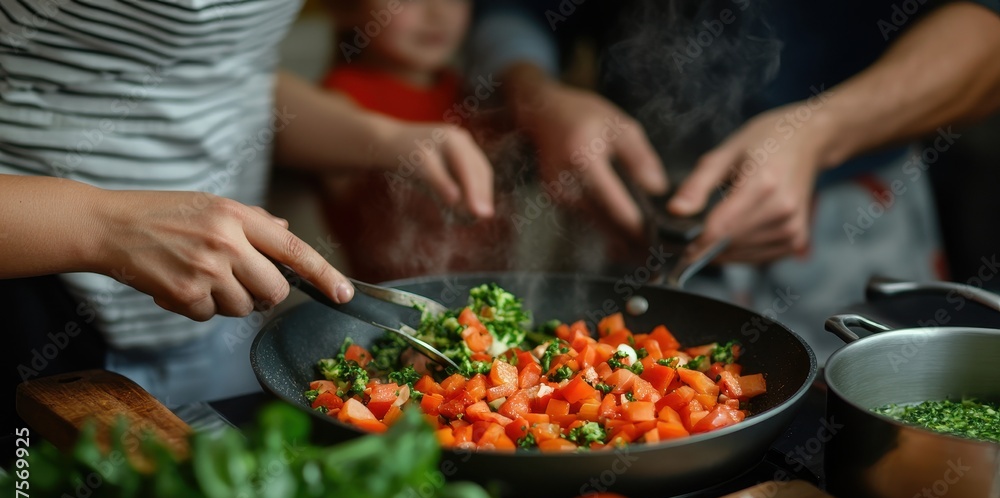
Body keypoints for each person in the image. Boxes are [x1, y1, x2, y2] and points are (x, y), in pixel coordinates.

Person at [0, 0, 495, 431]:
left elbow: (227, 73)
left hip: (222, 327)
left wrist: (385, 138)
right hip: (37, 312)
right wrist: (105, 228)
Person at [471, 0, 1000, 360]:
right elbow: (508, 10)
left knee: (856, 435)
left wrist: (824, 131)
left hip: (853, 206)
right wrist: (535, 95)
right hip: (622, 191)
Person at [318, 0, 510, 282]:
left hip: (499, 300)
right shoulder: (339, 102)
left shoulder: (474, 92)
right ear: (345, 7)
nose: (437, 12)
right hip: (397, 310)